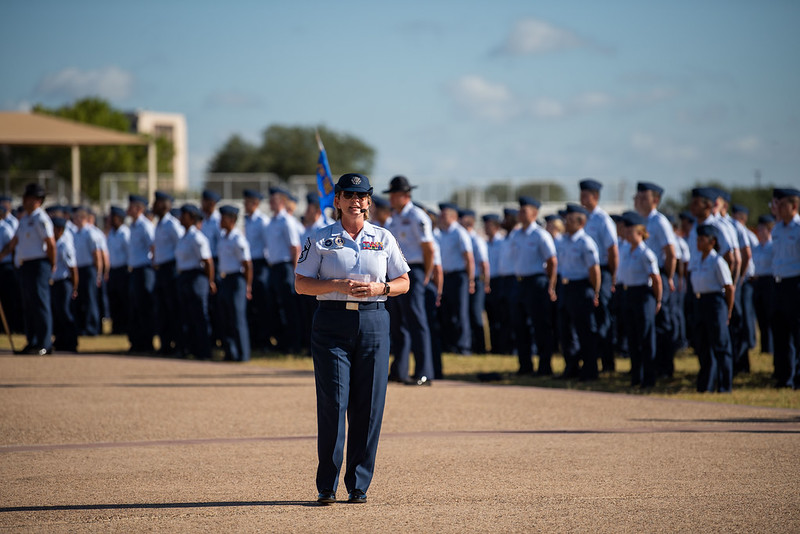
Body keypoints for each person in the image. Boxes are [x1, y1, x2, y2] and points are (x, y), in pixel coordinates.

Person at [295, 172, 410, 505]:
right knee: (334, 403)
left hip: (374, 320)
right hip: (332, 322)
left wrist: (380, 287)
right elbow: (301, 283)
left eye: (361, 196)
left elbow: (404, 281)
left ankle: (359, 484)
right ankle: (327, 485)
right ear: (338, 200)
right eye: (348, 195)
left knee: (369, 405)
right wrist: (336, 285)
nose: (355, 201)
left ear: (368, 201)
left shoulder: (383, 237)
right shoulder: (320, 238)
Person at [384, 176, 435, 384]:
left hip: (414, 270)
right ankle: (400, 369)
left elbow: (428, 249)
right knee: (397, 321)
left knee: (416, 320)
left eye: (394, 195)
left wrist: (426, 274)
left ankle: (424, 371)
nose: (391, 199)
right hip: (396, 272)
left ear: (405, 196)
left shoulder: (417, 216)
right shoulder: (394, 218)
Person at [0, 183, 56, 355]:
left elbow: (50, 244)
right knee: (28, 304)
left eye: (28, 198)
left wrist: (52, 264)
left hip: (39, 265)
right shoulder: (24, 220)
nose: (24, 201)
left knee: (40, 303)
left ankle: (45, 343)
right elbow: (13, 243)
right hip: (25, 265)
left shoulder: (41, 218)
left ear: (37, 200)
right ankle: (32, 341)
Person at [510, 196, 557, 375]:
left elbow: (552, 260)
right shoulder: (516, 234)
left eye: (524, 211)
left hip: (536, 282)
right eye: (520, 211)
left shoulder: (540, 235)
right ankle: (525, 365)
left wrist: (550, 284)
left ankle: (544, 366)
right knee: (519, 325)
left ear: (534, 214)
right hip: (520, 282)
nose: (520, 214)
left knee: (540, 325)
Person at [634, 182, 678, 378]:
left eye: (644, 198)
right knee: (647, 324)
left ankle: (665, 367)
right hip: (642, 277)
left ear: (655, 200)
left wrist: (668, 276)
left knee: (662, 323)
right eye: (638, 197)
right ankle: (649, 366)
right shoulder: (639, 221)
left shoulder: (659, 222)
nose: (640, 201)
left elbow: (671, 253)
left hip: (658, 274)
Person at [556, 203, 601, 381]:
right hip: (566, 287)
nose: (565, 223)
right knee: (566, 330)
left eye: (569, 220)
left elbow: (594, 270)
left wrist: (595, 292)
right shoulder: (564, 241)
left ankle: (590, 369)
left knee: (585, 330)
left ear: (581, 222)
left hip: (581, 287)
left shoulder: (585, 242)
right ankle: (571, 367)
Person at [618, 211, 662, 388]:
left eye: (631, 232)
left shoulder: (646, 253)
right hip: (628, 293)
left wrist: (658, 300)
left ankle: (649, 377)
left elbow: (656, 279)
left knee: (645, 337)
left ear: (640, 233)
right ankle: (636, 376)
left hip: (643, 295)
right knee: (633, 337)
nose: (627, 235)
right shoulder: (626, 249)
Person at [580, 179, 618, 373]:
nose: (581, 198)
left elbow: (612, 250)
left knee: (603, 316)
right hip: (586, 272)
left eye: (585, 194)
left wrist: (613, 275)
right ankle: (591, 360)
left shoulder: (603, 220)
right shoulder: (583, 218)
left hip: (602, 270)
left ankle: (608, 363)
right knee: (589, 318)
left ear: (595, 196)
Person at [691, 224, 735, 393]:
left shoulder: (718, 261)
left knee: (721, 345)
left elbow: (729, 287)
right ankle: (705, 385)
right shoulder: (697, 259)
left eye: (702, 240)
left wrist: (728, 310)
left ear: (712, 242)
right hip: (700, 301)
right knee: (703, 345)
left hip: (715, 303)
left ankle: (724, 385)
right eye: (698, 239)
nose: (698, 243)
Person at [175, 204, 215, 360]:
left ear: (191, 218)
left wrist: (209, 281)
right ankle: (190, 348)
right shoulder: (184, 236)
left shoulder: (197, 237)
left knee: (199, 315)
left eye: (183, 215)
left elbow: (207, 262)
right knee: (186, 315)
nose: (180, 218)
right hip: (184, 276)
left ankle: (204, 351)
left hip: (196, 277)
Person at [770, 187, 800, 389]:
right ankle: (784, 377)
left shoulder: (798, 228)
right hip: (778, 283)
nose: (778, 208)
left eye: (782, 205)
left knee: (797, 332)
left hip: (795, 284)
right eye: (777, 204)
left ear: (794, 206)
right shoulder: (777, 229)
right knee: (780, 333)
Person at [266, 186, 302, 354]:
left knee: (289, 307)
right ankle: (282, 342)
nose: (270, 203)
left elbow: (295, 247)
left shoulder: (286, 221)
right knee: (276, 306)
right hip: (274, 267)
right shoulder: (272, 221)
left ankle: (294, 344)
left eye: (273, 200)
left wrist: (295, 271)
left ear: (281, 201)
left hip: (286, 266)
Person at [437, 202, 475, 355]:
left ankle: (464, 346)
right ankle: (450, 344)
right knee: (447, 311)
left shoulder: (459, 233)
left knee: (460, 311)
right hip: (446, 276)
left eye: (444, 214)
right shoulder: (441, 233)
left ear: (453, 216)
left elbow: (469, 258)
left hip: (459, 276)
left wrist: (470, 280)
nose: (441, 217)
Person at [217, 205, 253, 362]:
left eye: (223, 218)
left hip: (237, 279)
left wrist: (247, 286)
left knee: (238, 318)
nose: (220, 221)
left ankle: (243, 354)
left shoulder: (238, 239)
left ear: (231, 220)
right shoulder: (223, 237)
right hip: (225, 279)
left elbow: (247, 265)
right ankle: (230, 352)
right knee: (225, 317)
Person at [152, 191, 185, 355]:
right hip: (161, 269)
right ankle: (165, 344)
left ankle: (178, 345)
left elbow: (181, 245)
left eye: (156, 203)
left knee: (173, 309)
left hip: (171, 269)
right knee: (162, 309)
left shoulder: (172, 224)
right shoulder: (159, 224)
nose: (153, 206)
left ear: (162, 205)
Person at [126, 194, 156, 352]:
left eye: (131, 206)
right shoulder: (133, 226)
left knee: (145, 307)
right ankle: (136, 342)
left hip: (145, 270)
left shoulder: (145, 226)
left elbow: (153, 247)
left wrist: (153, 266)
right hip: (135, 270)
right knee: (135, 307)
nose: (128, 209)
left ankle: (147, 343)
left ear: (138, 209)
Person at [243, 188, 271, 351]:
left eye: (247, 202)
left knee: (262, 304)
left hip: (260, 264)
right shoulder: (247, 220)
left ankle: (264, 340)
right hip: (250, 263)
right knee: (252, 304)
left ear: (255, 203)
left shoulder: (262, 221)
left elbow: (268, 245)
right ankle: (254, 339)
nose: (245, 205)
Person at [459, 208, 490, 354]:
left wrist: (485, 282)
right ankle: (471, 344)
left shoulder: (476, 240)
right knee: (467, 312)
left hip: (477, 280)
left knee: (476, 313)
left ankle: (481, 347)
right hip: (468, 279)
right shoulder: (463, 237)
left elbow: (484, 263)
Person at [72, 206, 103, 336]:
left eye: (76, 218)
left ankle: (92, 327)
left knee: (90, 298)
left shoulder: (90, 233)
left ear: (82, 218)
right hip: (79, 269)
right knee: (80, 299)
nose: (74, 220)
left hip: (89, 269)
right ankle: (82, 326)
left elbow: (97, 255)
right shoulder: (75, 233)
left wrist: (98, 274)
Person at [50, 217, 79, 352]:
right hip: (55, 282)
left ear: (60, 230)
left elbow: (73, 268)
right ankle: (61, 340)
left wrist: (74, 287)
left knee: (66, 312)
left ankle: (71, 342)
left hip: (64, 282)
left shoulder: (65, 245)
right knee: (57, 313)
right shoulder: (54, 243)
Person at [751, 214, 775, 356]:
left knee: (770, 314)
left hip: (770, 281)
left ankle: (771, 346)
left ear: (768, 229)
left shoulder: (773, 247)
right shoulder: (757, 248)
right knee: (760, 314)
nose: (759, 232)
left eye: (762, 229)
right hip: (758, 281)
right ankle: (764, 347)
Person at [106, 206, 130, 335]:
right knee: (113, 299)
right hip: (113, 270)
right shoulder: (111, 233)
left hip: (123, 269)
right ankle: (116, 326)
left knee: (123, 299)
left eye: (112, 217)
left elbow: (129, 252)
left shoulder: (124, 233)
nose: (110, 219)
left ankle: (124, 326)